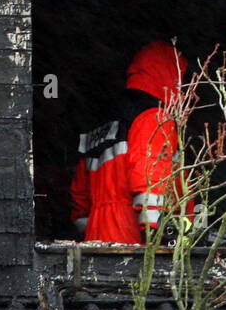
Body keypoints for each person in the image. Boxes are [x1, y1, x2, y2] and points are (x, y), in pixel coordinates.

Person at [69, 41, 189, 244]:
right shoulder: (154, 116)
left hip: (96, 239)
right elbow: (151, 181)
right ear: (171, 75)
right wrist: (163, 235)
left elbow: (80, 198)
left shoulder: (105, 122)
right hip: (132, 238)